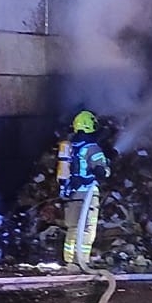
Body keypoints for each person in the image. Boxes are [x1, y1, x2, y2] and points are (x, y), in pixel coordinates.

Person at [56, 110, 110, 270]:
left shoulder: (71, 146)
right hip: (87, 193)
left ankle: (69, 260)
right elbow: (103, 172)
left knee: (72, 227)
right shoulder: (93, 148)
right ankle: (82, 261)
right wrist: (106, 165)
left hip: (71, 193)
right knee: (87, 228)